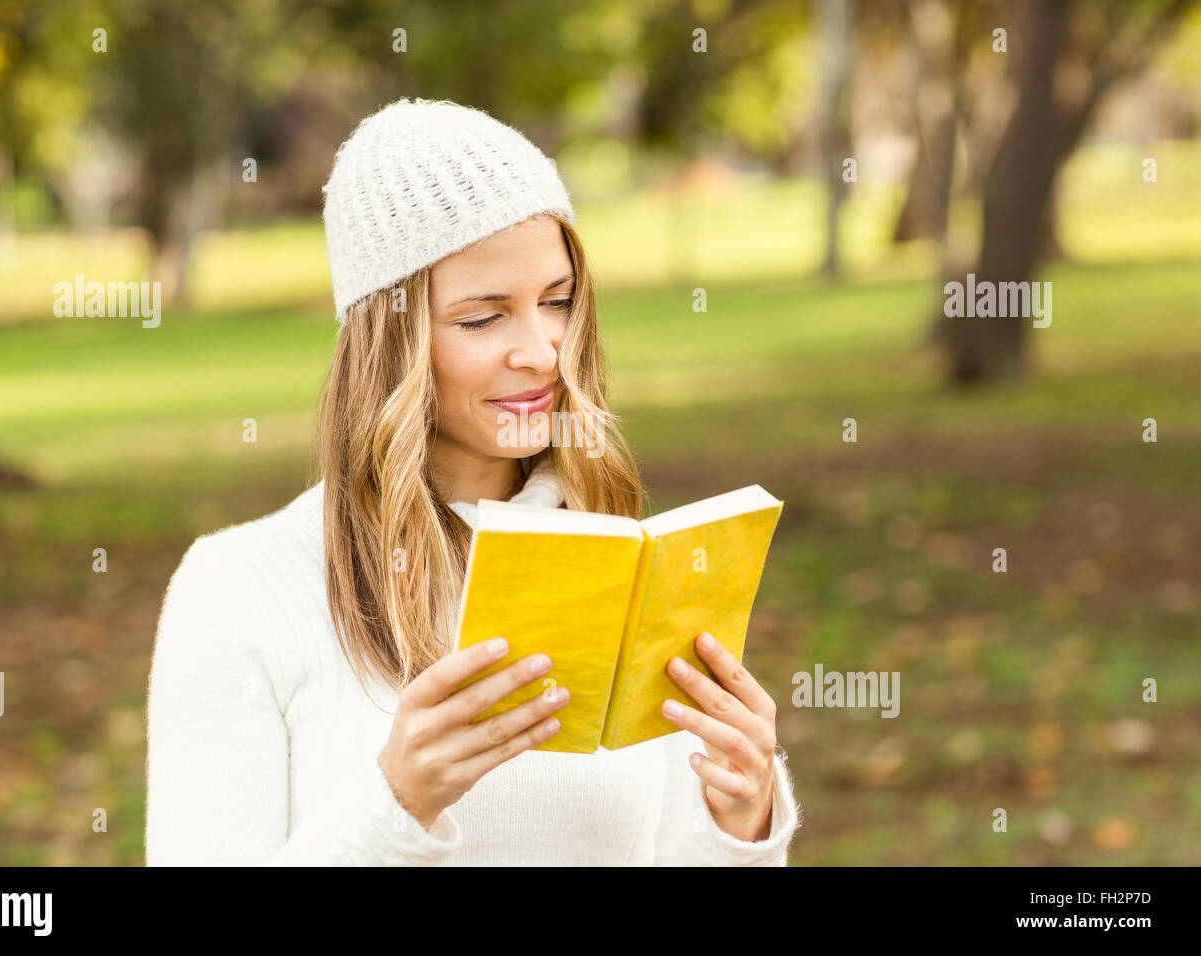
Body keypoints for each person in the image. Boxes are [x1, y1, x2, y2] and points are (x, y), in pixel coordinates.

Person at [145, 97, 802, 865]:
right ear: (389, 340)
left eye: (557, 302)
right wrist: (395, 804)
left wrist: (741, 823)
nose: (542, 352)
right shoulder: (239, 587)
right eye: (483, 318)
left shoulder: (618, 560)